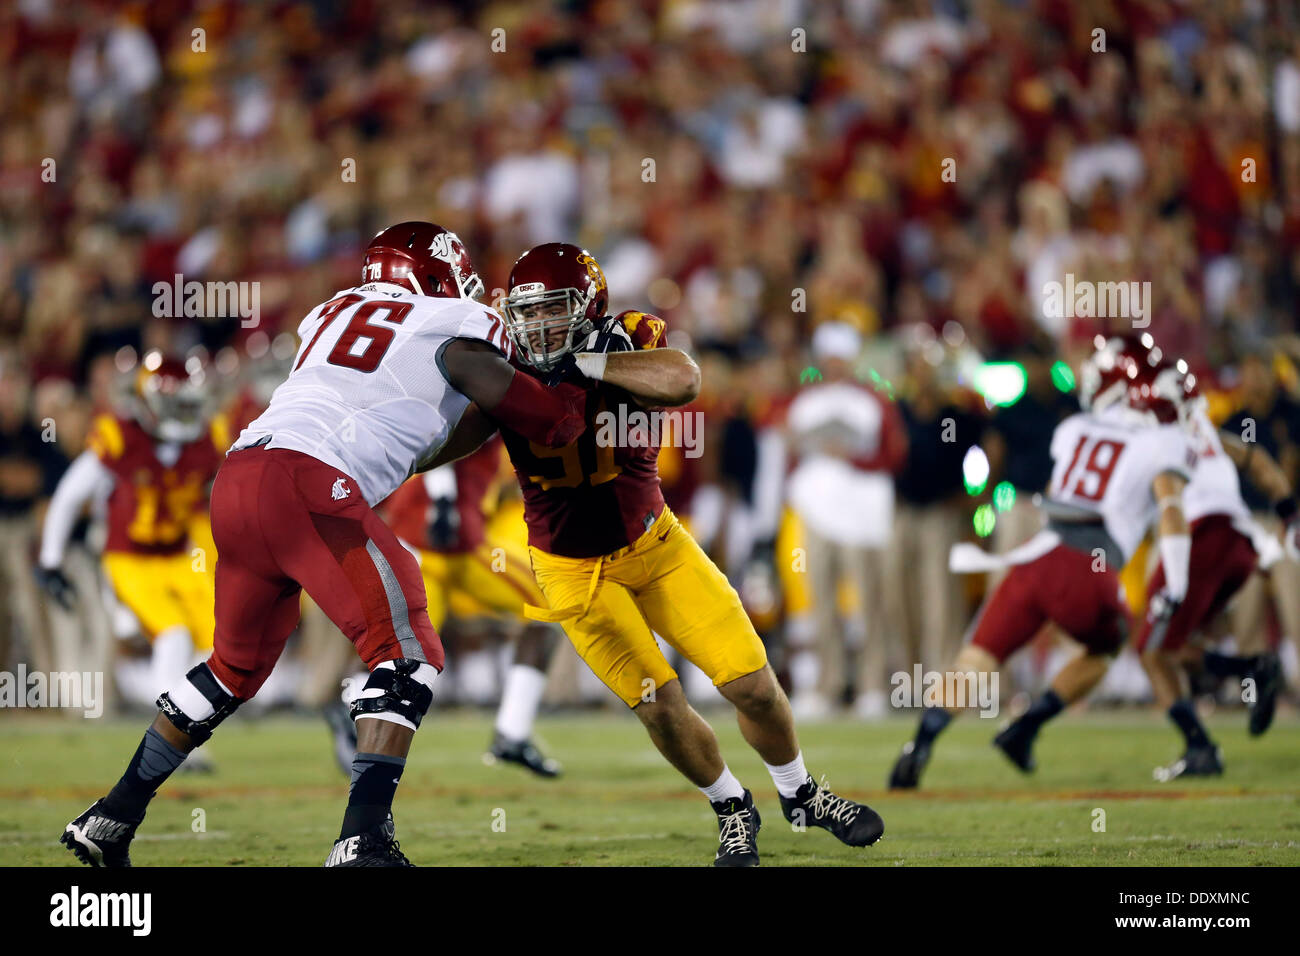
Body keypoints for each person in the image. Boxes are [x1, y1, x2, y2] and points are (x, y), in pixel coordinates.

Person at [61, 221, 591, 867]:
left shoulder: (329, 313)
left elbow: (418, 438)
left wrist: (493, 415)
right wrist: (575, 383)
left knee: (232, 670)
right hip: (307, 482)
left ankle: (111, 817)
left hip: (241, 478)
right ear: (434, 277)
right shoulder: (454, 320)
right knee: (408, 651)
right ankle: (362, 837)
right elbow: (551, 421)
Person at [471, 242, 884, 865]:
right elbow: (457, 429)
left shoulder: (628, 336)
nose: (538, 327)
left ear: (589, 308)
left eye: (554, 310)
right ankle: (731, 806)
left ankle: (800, 793)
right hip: (571, 571)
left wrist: (587, 365)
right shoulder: (501, 357)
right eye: (528, 313)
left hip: (655, 545)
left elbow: (683, 379)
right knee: (660, 708)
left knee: (756, 689)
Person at [889, 334, 1196, 789]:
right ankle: (1025, 726)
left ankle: (920, 743)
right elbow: (1171, 510)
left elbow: (1058, 494)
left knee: (977, 658)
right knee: (1110, 644)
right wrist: (1178, 581)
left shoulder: (1076, 428)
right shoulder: (1159, 441)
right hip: (1090, 561)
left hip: (1038, 556)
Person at [37, 353, 224, 728]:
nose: (183, 413)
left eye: (187, 404)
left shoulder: (207, 439)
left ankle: (166, 701)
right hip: (128, 556)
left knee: (217, 638)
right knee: (173, 635)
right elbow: (71, 494)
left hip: (180, 553)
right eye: (175, 404)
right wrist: (51, 559)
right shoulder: (120, 435)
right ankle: (171, 726)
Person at [1136, 367, 1295, 779]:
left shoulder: (1153, 434)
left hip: (1201, 537)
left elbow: (1163, 501)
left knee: (1151, 650)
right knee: (1175, 648)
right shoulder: (1206, 430)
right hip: (1240, 544)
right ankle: (1248, 670)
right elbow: (1260, 463)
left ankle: (1201, 746)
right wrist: (1289, 516)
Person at [380, 436, 563, 776]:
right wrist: (445, 502)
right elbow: (448, 438)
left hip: (417, 539)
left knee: (408, 658)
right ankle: (512, 730)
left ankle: (350, 708)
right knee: (551, 603)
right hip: (451, 543)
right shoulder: (486, 390)